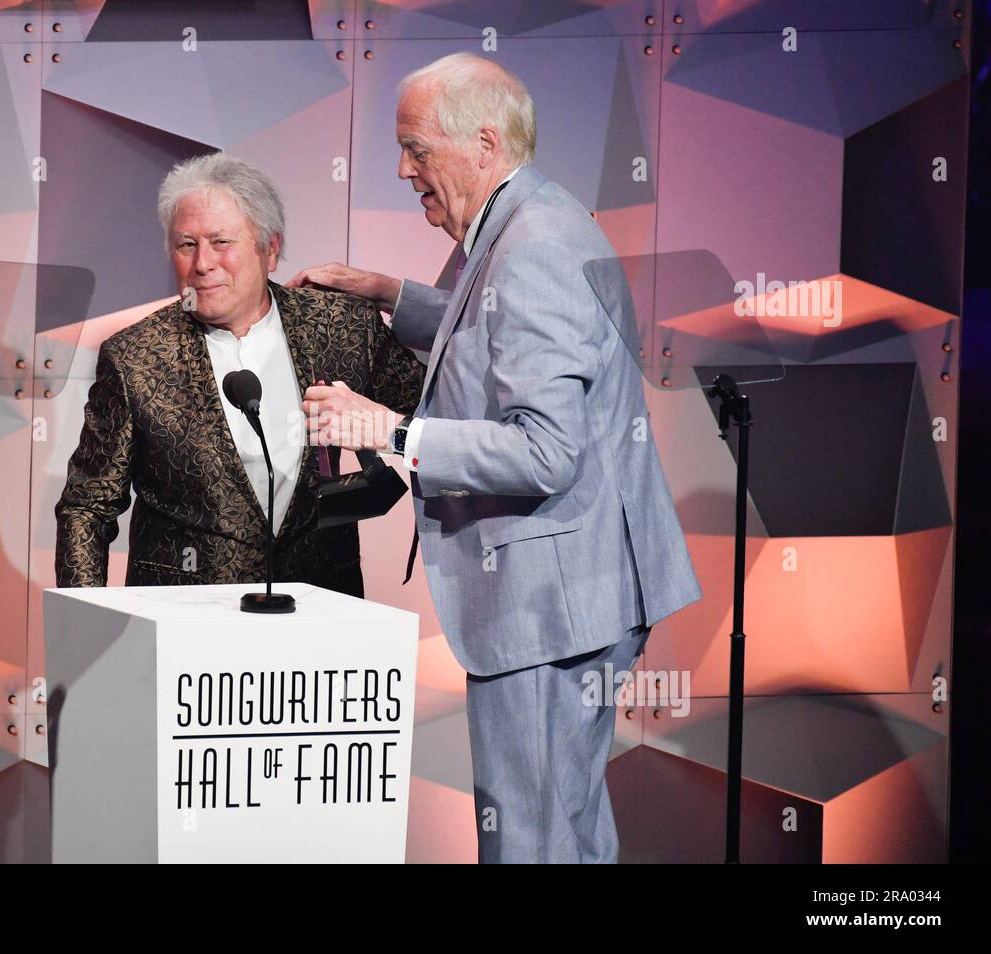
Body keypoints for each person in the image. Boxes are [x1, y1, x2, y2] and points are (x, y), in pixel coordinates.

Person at [289, 53, 701, 862]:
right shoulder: (530, 216)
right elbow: (495, 326)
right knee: (560, 829)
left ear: (482, 142)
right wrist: (388, 292)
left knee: (531, 840)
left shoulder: (534, 242)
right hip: (568, 589)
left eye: (417, 148)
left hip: (553, 604)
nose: (404, 169)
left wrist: (387, 430)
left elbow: (546, 451)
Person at [55, 153, 424, 597]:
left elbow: (437, 411)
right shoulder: (135, 356)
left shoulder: (342, 327)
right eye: (185, 244)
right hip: (186, 624)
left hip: (319, 611)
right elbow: (87, 506)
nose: (202, 263)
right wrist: (85, 633)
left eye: (220, 242)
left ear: (269, 249)